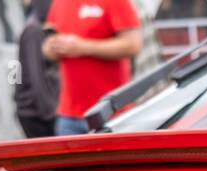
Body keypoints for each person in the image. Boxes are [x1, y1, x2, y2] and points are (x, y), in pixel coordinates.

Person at [42, 0, 140, 136]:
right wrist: (53, 47)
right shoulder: (59, 3)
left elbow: (132, 45)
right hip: (69, 116)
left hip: (111, 113)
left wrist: (83, 47)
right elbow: (48, 46)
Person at [16, 0, 57, 137]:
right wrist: (52, 114)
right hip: (36, 115)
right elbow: (37, 78)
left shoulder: (37, 27)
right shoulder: (34, 30)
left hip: (38, 111)